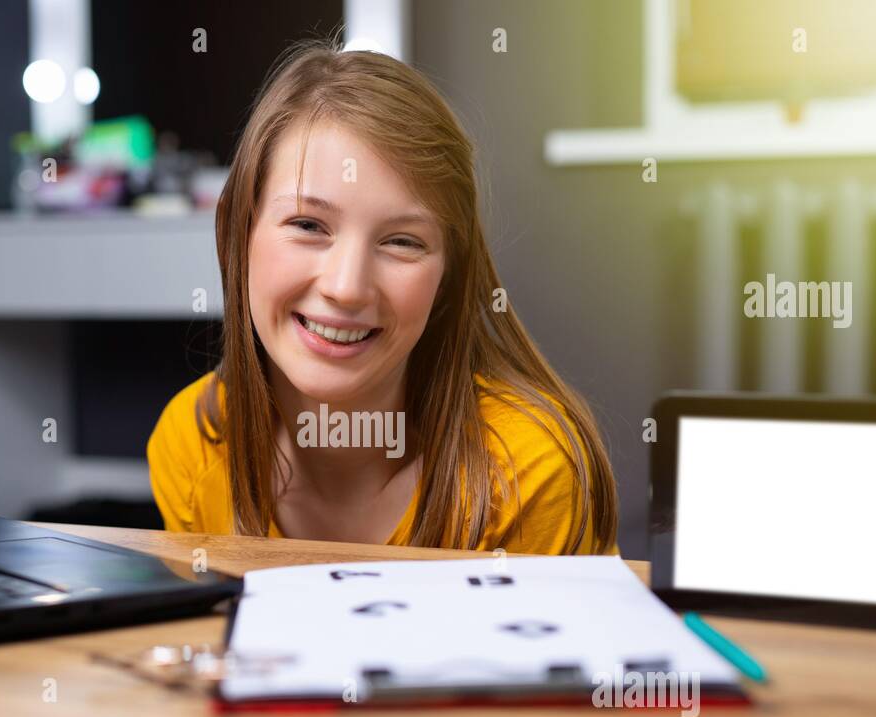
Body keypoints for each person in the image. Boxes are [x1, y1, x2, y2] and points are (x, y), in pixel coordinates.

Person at [149, 39, 618, 554]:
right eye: (308, 225)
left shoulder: (525, 470)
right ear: (237, 234)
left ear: (447, 277)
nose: (346, 287)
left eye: (402, 242)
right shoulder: (191, 445)